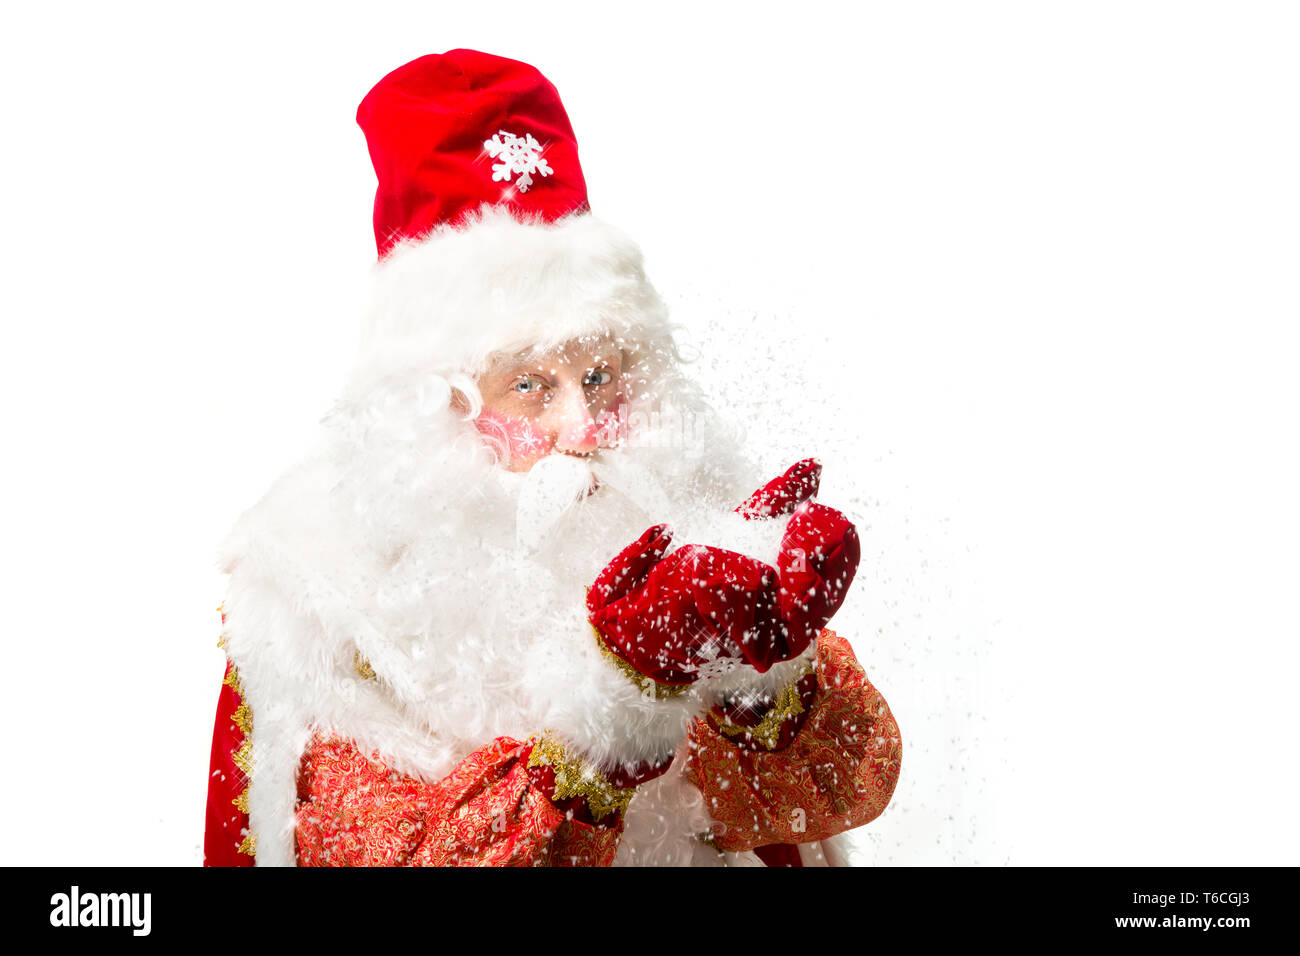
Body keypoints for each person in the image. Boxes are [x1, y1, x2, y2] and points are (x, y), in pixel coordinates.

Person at [204, 49, 901, 867]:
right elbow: (391, 851)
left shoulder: (687, 522)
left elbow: (831, 796)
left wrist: (765, 678)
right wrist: (612, 714)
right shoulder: (324, 590)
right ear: (430, 407)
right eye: (530, 385)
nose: (582, 428)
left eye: (601, 375)